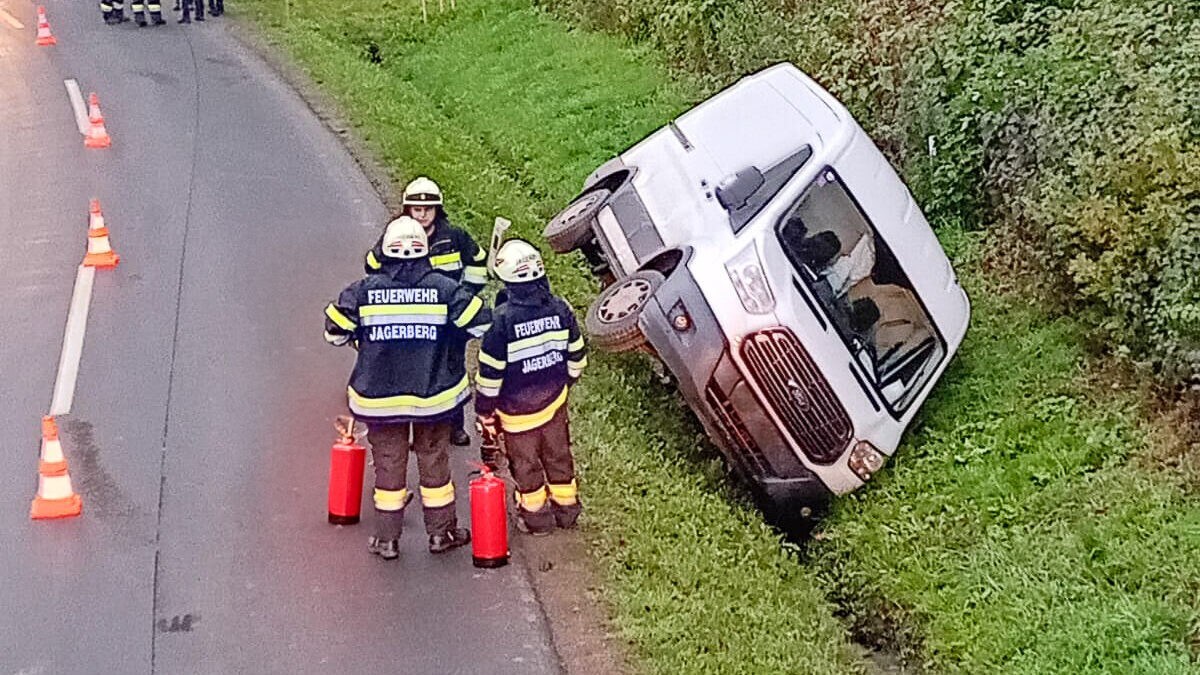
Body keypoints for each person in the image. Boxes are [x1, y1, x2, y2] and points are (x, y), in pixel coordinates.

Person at [325, 216, 491, 560]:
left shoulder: (363, 291)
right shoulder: (445, 289)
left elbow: (334, 332)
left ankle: (387, 539)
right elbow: (480, 324)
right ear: (424, 250)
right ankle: (441, 533)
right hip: (433, 398)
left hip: (380, 401)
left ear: (384, 251)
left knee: (388, 462)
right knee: (434, 461)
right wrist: (447, 336)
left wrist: (366, 343)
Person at [474, 239, 587, 535]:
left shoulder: (500, 322)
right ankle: (567, 511)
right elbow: (577, 356)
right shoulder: (560, 308)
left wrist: (484, 410)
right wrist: (565, 385)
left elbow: (490, 376)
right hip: (554, 403)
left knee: (525, 466)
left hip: (516, 414)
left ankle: (536, 519)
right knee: (559, 456)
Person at [365, 177, 487, 447]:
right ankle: (414, 430)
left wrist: (466, 293)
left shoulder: (454, 237)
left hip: (452, 320)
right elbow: (372, 265)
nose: (422, 215)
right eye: (416, 210)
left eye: (428, 209)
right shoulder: (396, 235)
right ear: (407, 210)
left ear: (437, 210)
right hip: (414, 318)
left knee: (452, 371)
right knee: (415, 371)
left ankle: (455, 427)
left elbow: (478, 262)